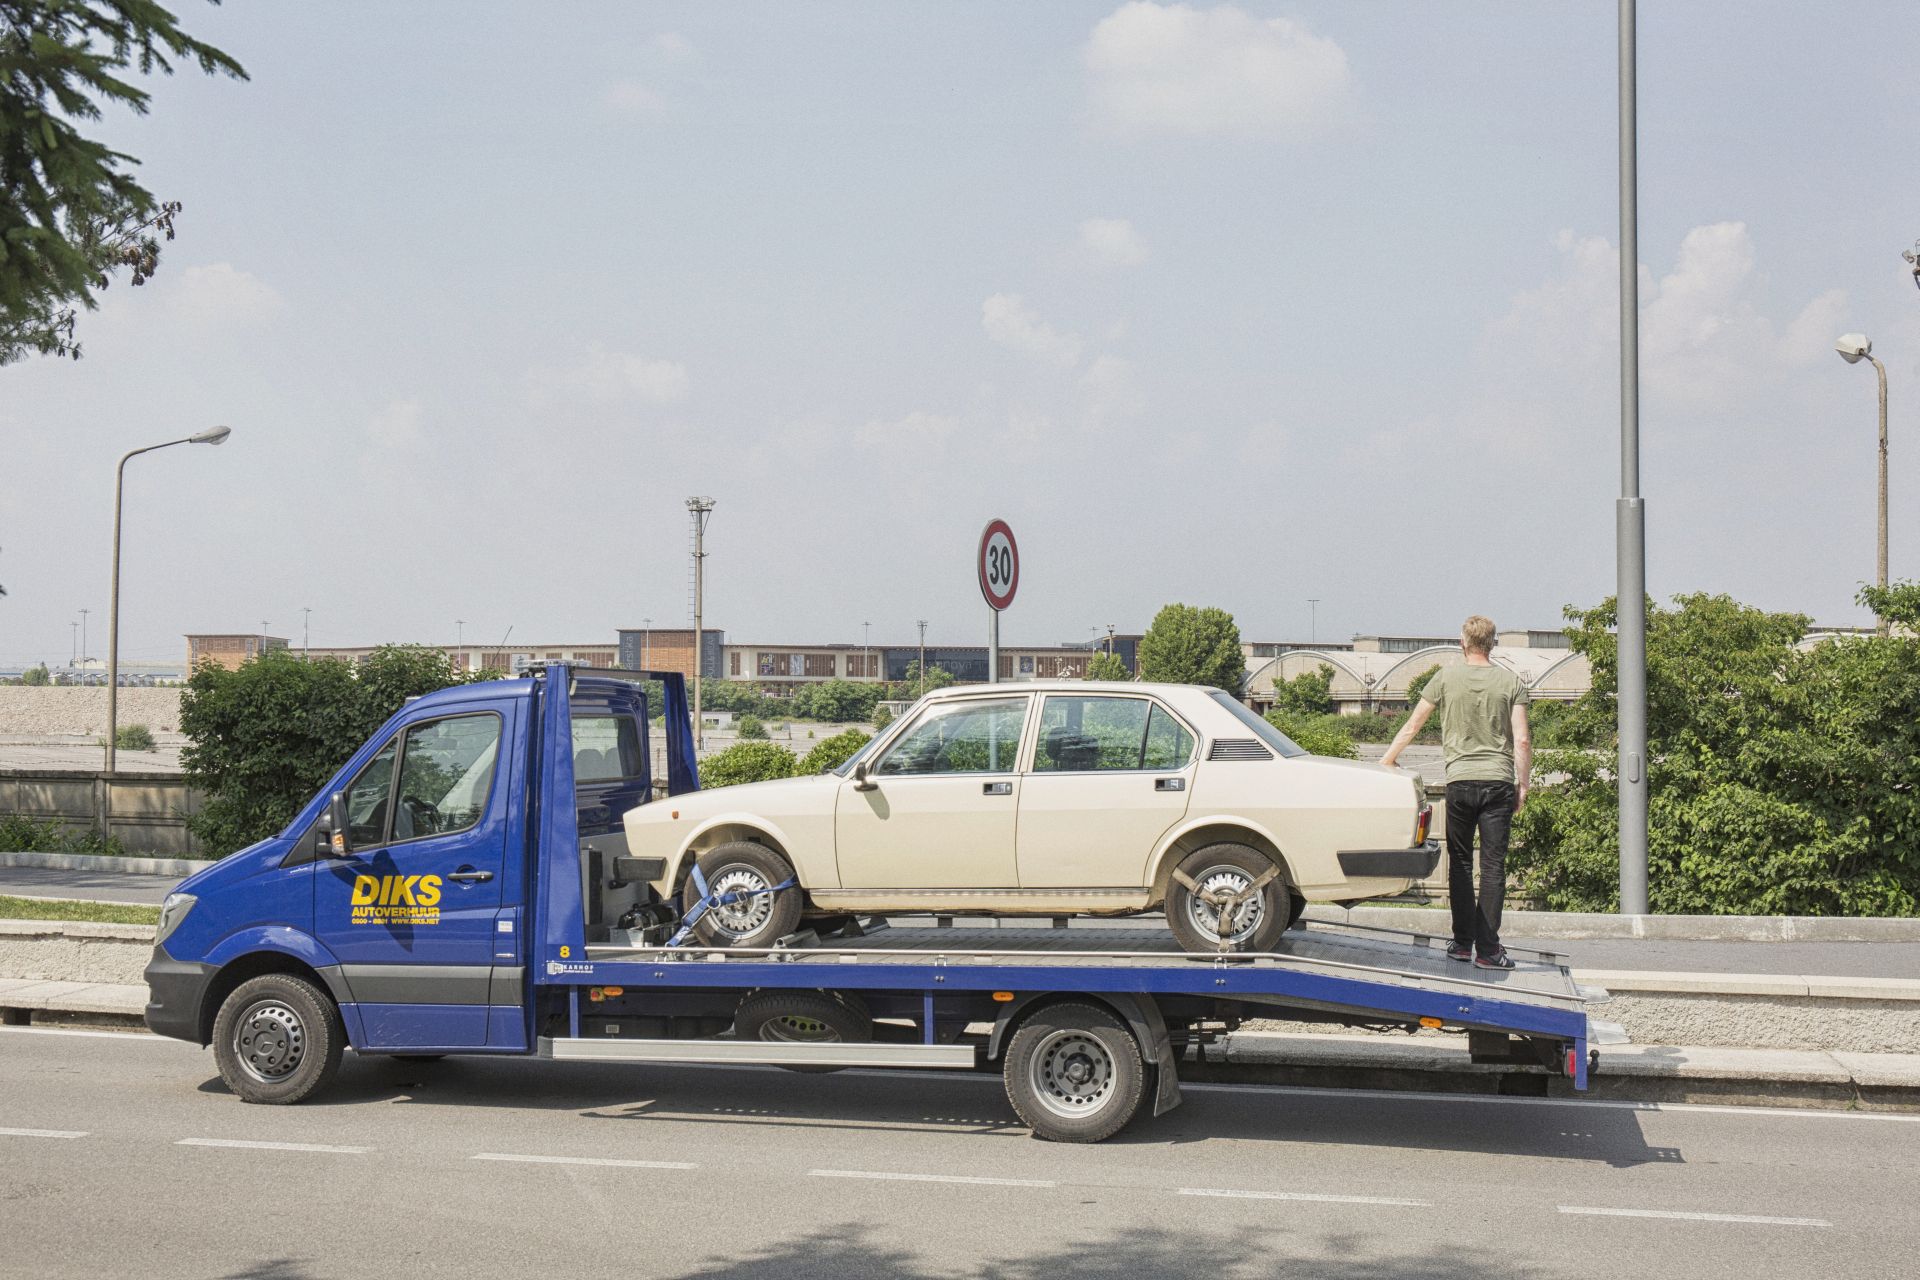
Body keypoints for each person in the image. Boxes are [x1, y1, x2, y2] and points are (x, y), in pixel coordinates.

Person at [1380, 615, 1531, 970]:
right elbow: (1522, 739)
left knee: (1460, 864)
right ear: (1492, 644)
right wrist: (1522, 784)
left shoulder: (1445, 677)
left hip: (1460, 783)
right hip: (1498, 783)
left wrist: (1387, 760)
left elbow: (1414, 723)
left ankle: (1462, 944)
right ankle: (1489, 951)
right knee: (1493, 866)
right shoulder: (1511, 682)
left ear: (1462, 642)